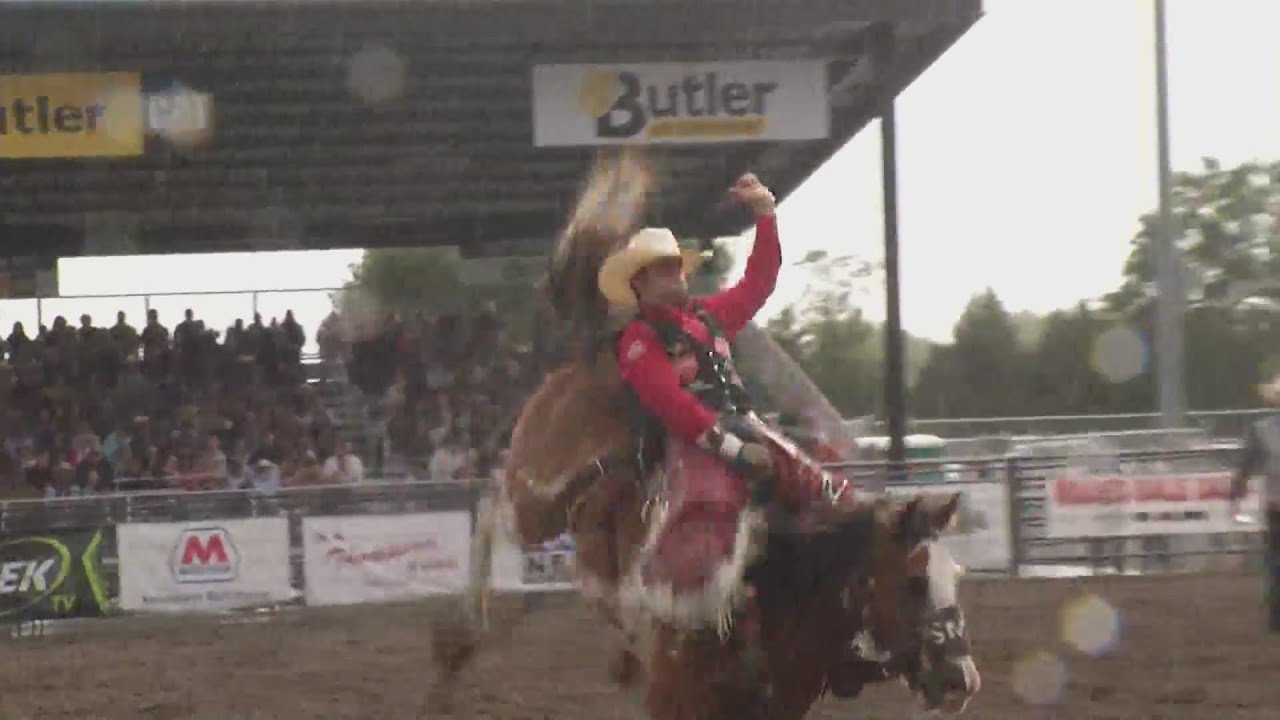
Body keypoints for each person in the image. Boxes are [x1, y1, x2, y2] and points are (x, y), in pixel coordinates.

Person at [598, 172, 857, 634]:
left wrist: (765, 215)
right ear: (638, 283)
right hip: (691, 441)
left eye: (675, 265)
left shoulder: (708, 315)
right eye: (662, 268)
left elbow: (759, 282)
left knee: (827, 487)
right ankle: (694, 615)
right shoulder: (638, 339)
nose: (674, 274)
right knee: (711, 502)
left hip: (745, 426)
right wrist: (733, 449)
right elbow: (673, 406)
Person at [1230, 374, 1280, 632]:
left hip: (1275, 503)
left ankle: (1275, 614)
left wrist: (1237, 490)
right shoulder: (1262, 430)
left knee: (1275, 559)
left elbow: (1246, 465)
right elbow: (1246, 465)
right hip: (1275, 504)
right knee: (1275, 559)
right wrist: (1237, 488)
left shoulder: (1262, 429)